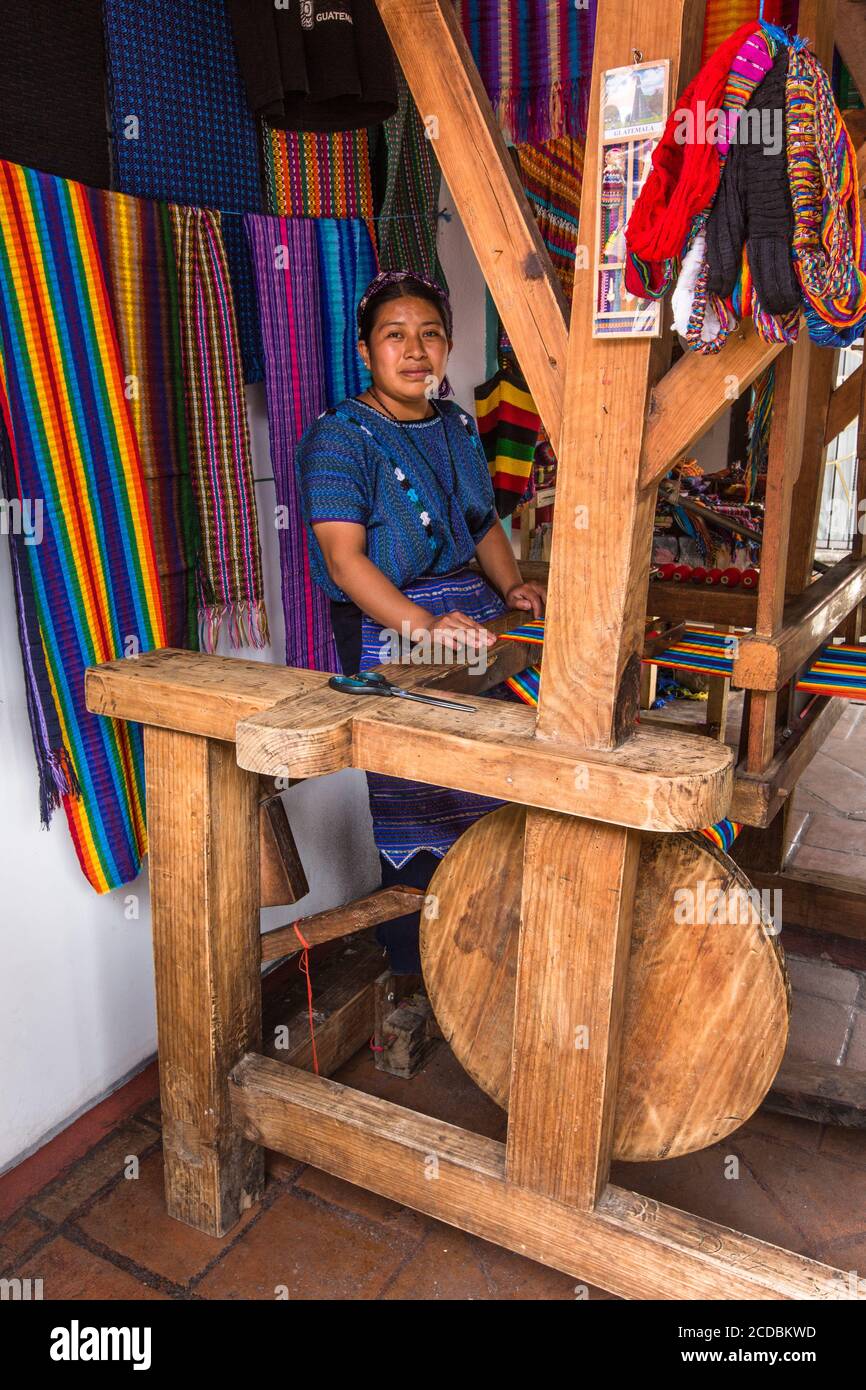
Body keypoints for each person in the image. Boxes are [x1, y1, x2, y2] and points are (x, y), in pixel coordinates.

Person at [296, 269, 546, 972]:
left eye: (429, 334)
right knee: (421, 795)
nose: (415, 350)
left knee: (495, 780)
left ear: (448, 344)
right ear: (366, 349)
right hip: (391, 630)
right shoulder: (339, 438)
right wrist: (423, 627)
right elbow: (346, 564)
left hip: (473, 618)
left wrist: (514, 586)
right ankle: (423, 966)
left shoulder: (457, 425)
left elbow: (481, 522)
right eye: (395, 336)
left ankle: (498, 955)